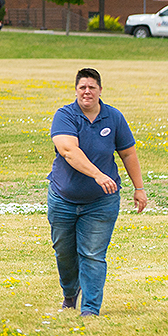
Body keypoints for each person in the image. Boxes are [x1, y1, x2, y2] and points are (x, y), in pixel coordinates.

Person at [47, 68, 147, 317]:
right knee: (64, 252)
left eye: (92, 87)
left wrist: (139, 188)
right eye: (82, 87)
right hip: (63, 198)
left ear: (100, 90)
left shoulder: (114, 117)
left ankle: (90, 310)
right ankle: (70, 294)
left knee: (92, 254)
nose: (87, 91)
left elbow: (128, 153)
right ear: (76, 91)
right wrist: (97, 174)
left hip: (101, 201)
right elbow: (69, 151)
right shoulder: (65, 115)